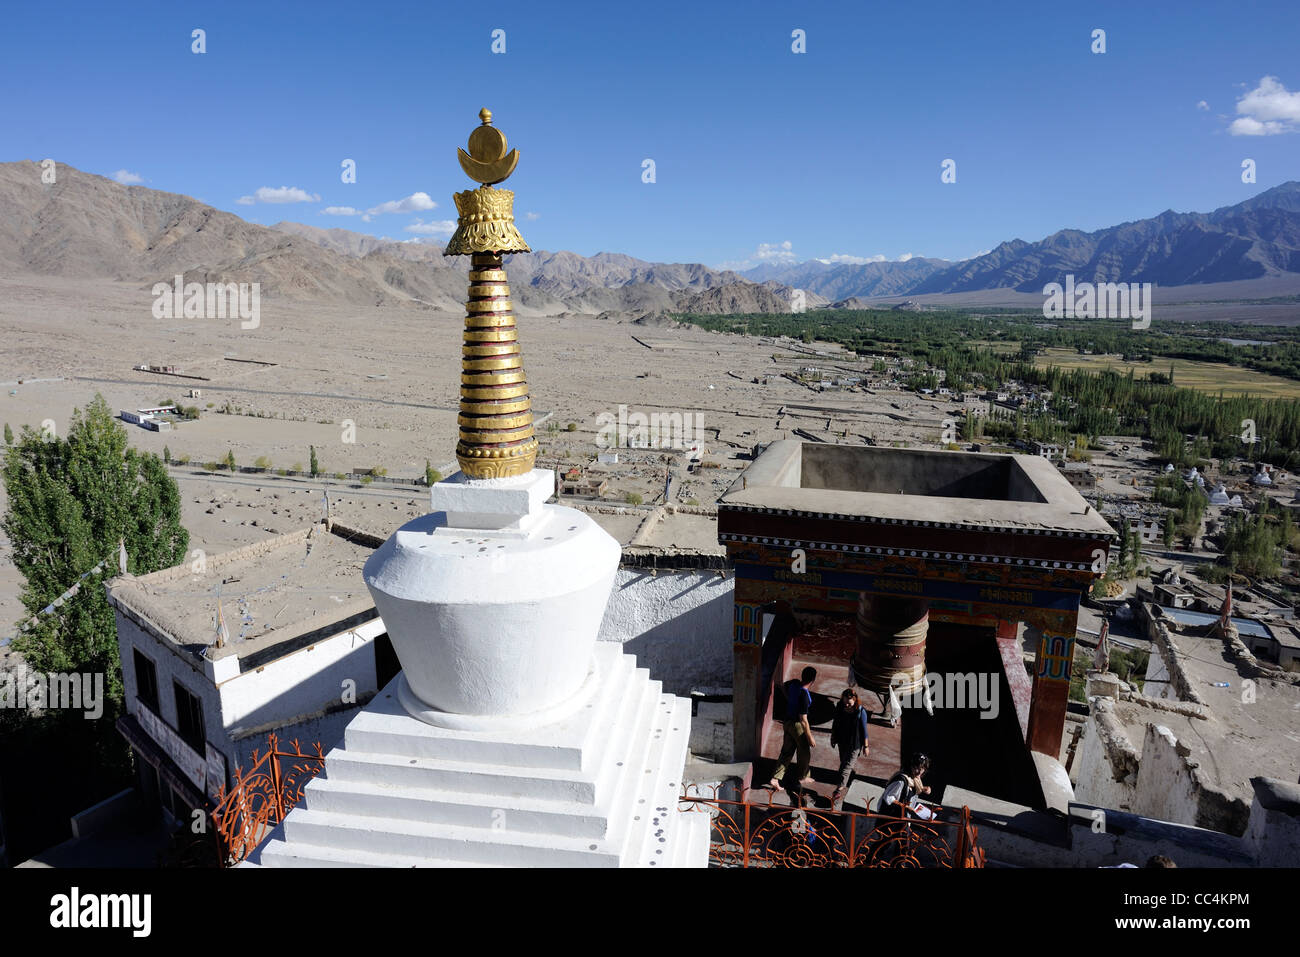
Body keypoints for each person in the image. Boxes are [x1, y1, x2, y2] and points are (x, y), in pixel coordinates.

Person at [766, 666, 817, 792]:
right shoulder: (804, 695)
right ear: (813, 679)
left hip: (787, 721)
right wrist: (810, 737)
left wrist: (790, 701)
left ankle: (775, 778)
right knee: (804, 751)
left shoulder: (794, 684)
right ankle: (803, 776)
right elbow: (803, 720)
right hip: (797, 725)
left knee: (787, 752)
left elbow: (783, 687)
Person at [829, 689, 869, 807]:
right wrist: (833, 737)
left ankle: (838, 791)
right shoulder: (840, 707)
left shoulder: (861, 712)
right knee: (844, 762)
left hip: (855, 744)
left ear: (855, 700)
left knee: (845, 768)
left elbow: (864, 731)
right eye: (845, 701)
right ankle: (848, 776)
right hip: (842, 741)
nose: (846, 704)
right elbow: (835, 723)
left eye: (849, 702)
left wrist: (866, 746)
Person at [877, 753, 935, 821]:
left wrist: (924, 788)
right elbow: (889, 797)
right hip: (891, 820)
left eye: (922, 769)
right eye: (917, 768)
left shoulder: (914, 779)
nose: (919, 772)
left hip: (902, 819)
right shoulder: (901, 780)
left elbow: (913, 788)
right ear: (911, 766)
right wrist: (906, 807)